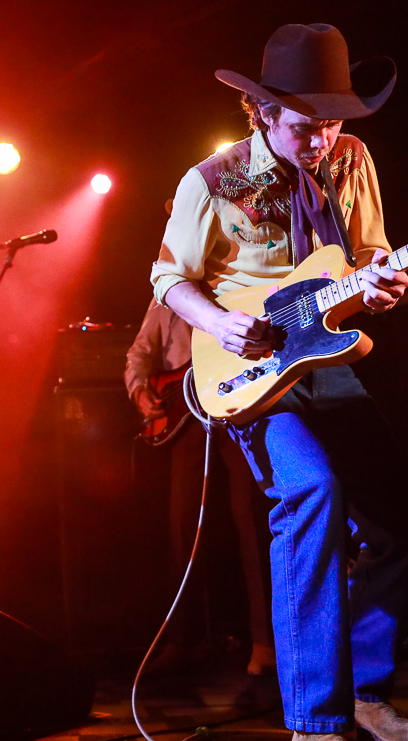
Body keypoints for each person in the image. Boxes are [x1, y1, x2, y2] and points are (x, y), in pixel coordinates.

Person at [150, 24, 408, 741]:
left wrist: (378, 285)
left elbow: (369, 251)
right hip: (252, 370)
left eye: (333, 125)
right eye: (307, 129)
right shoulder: (211, 181)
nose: (322, 142)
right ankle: (316, 720)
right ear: (264, 114)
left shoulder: (352, 159)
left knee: (402, 522)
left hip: (329, 357)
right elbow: (167, 280)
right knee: (311, 492)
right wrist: (217, 325)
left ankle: (367, 694)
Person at [126, 286, 274, 676]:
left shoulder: (233, 280)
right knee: (182, 526)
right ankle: (182, 641)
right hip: (187, 413)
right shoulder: (165, 293)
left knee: (253, 518)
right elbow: (140, 351)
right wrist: (140, 388)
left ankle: (266, 643)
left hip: (238, 400)